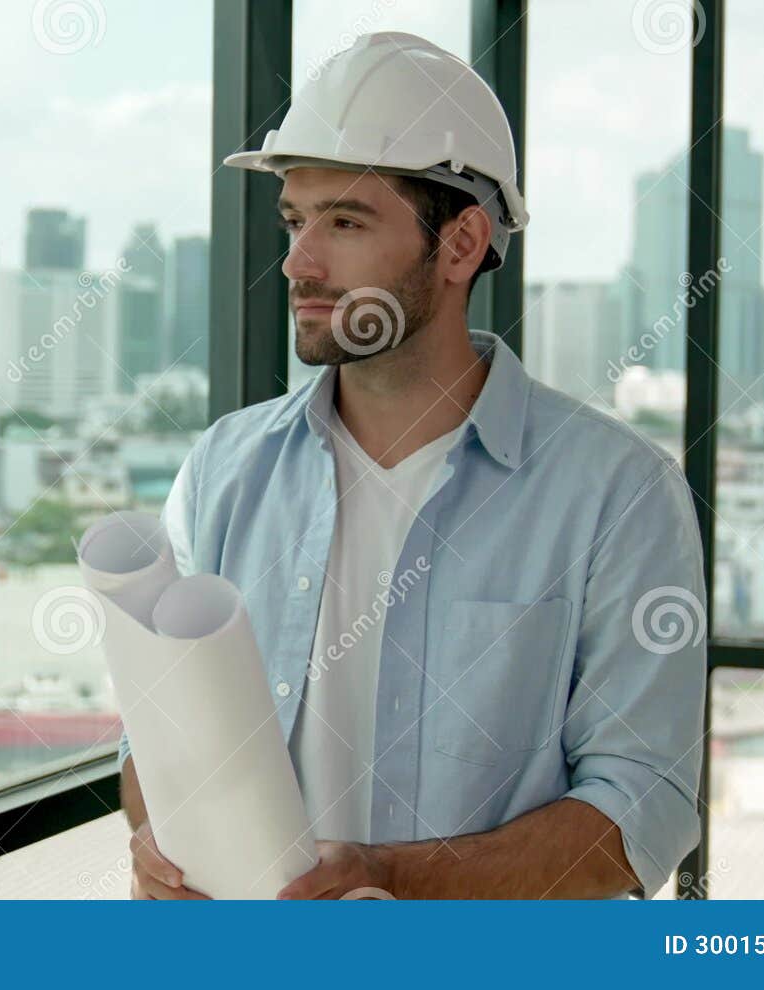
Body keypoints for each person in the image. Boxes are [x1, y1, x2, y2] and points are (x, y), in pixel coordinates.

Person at [118, 31, 705, 900]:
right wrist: (158, 840)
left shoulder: (619, 495)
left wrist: (391, 882)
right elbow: (155, 740)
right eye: (294, 219)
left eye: (345, 223)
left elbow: (641, 812)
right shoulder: (224, 468)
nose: (298, 262)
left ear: (462, 244)